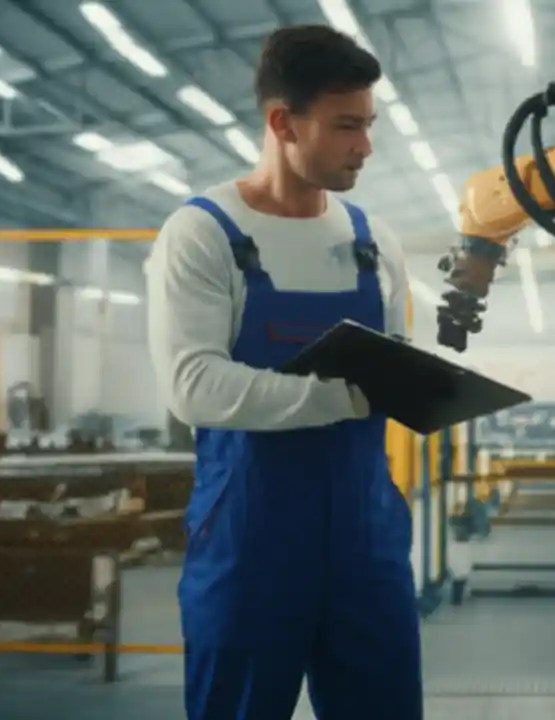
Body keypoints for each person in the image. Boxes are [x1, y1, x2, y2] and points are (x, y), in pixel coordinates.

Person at [143, 24, 419, 720]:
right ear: (282, 123)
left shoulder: (373, 241)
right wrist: (345, 398)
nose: (366, 146)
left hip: (367, 539)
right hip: (249, 545)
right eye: (346, 125)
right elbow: (194, 387)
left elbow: (395, 360)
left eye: (369, 124)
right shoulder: (204, 234)